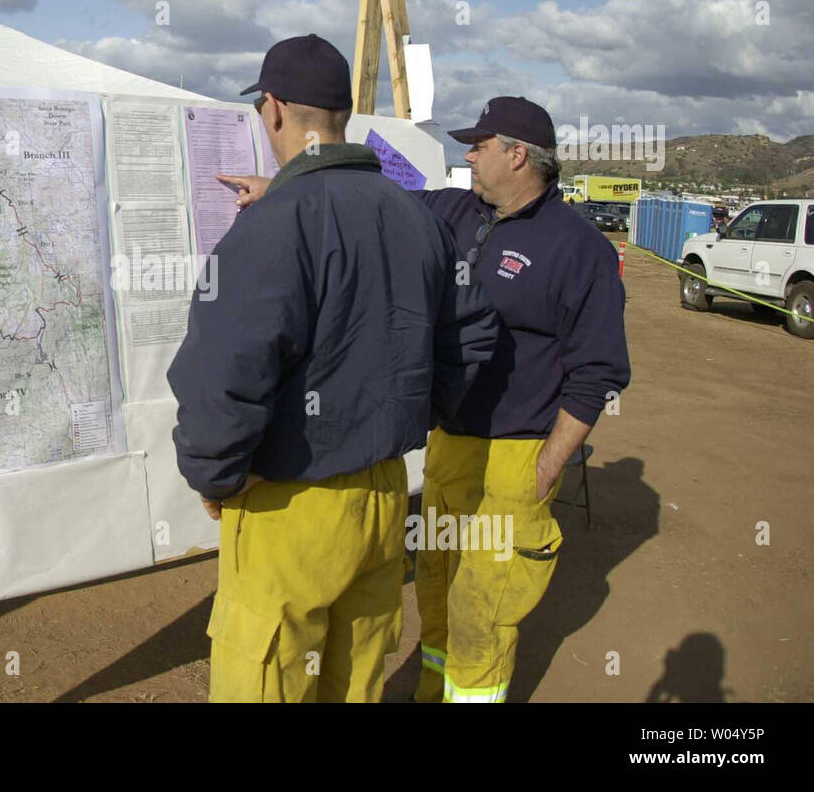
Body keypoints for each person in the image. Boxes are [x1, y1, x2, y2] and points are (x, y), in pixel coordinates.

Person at [218, 96, 632, 703]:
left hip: (519, 454)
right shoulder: (455, 209)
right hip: (452, 445)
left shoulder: (579, 249)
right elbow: (367, 199)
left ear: (518, 156)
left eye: (480, 145)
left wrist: (549, 465)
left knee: (482, 609)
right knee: (436, 586)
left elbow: (598, 372)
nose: (467, 154)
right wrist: (280, 188)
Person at [166, 34, 499, 702]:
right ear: (343, 116)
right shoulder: (416, 217)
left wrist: (216, 478)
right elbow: (471, 337)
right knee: (355, 680)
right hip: (382, 496)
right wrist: (410, 415)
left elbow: (221, 377)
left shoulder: (270, 228)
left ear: (275, 110)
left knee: (270, 681)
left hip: (288, 502)